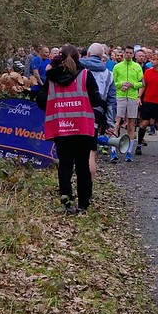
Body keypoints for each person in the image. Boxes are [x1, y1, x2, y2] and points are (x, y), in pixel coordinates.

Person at [38, 44, 106, 215]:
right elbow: (96, 99)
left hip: (61, 128)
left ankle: (67, 203)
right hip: (83, 127)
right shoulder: (85, 75)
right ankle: (83, 203)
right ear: (79, 58)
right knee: (82, 166)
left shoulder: (51, 77)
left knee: (65, 166)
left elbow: (40, 101)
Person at [80, 43, 117, 179]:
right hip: (95, 116)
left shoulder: (77, 69)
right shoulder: (109, 75)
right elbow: (111, 102)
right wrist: (109, 123)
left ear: (88, 54)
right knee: (90, 152)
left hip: (75, 112)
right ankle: (88, 189)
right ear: (102, 57)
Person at [112, 45, 144, 163]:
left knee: (131, 125)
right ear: (123, 54)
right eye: (127, 53)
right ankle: (113, 151)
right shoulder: (117, 67)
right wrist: (122, 84)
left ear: (133, 55)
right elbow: (113, 82)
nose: (129, 55)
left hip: (132, 97)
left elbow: (142, 83)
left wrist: (132, 84)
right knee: (116, 123)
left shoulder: (137, 67)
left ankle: (129, 152)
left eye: (131, 53)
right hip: (120, 96)